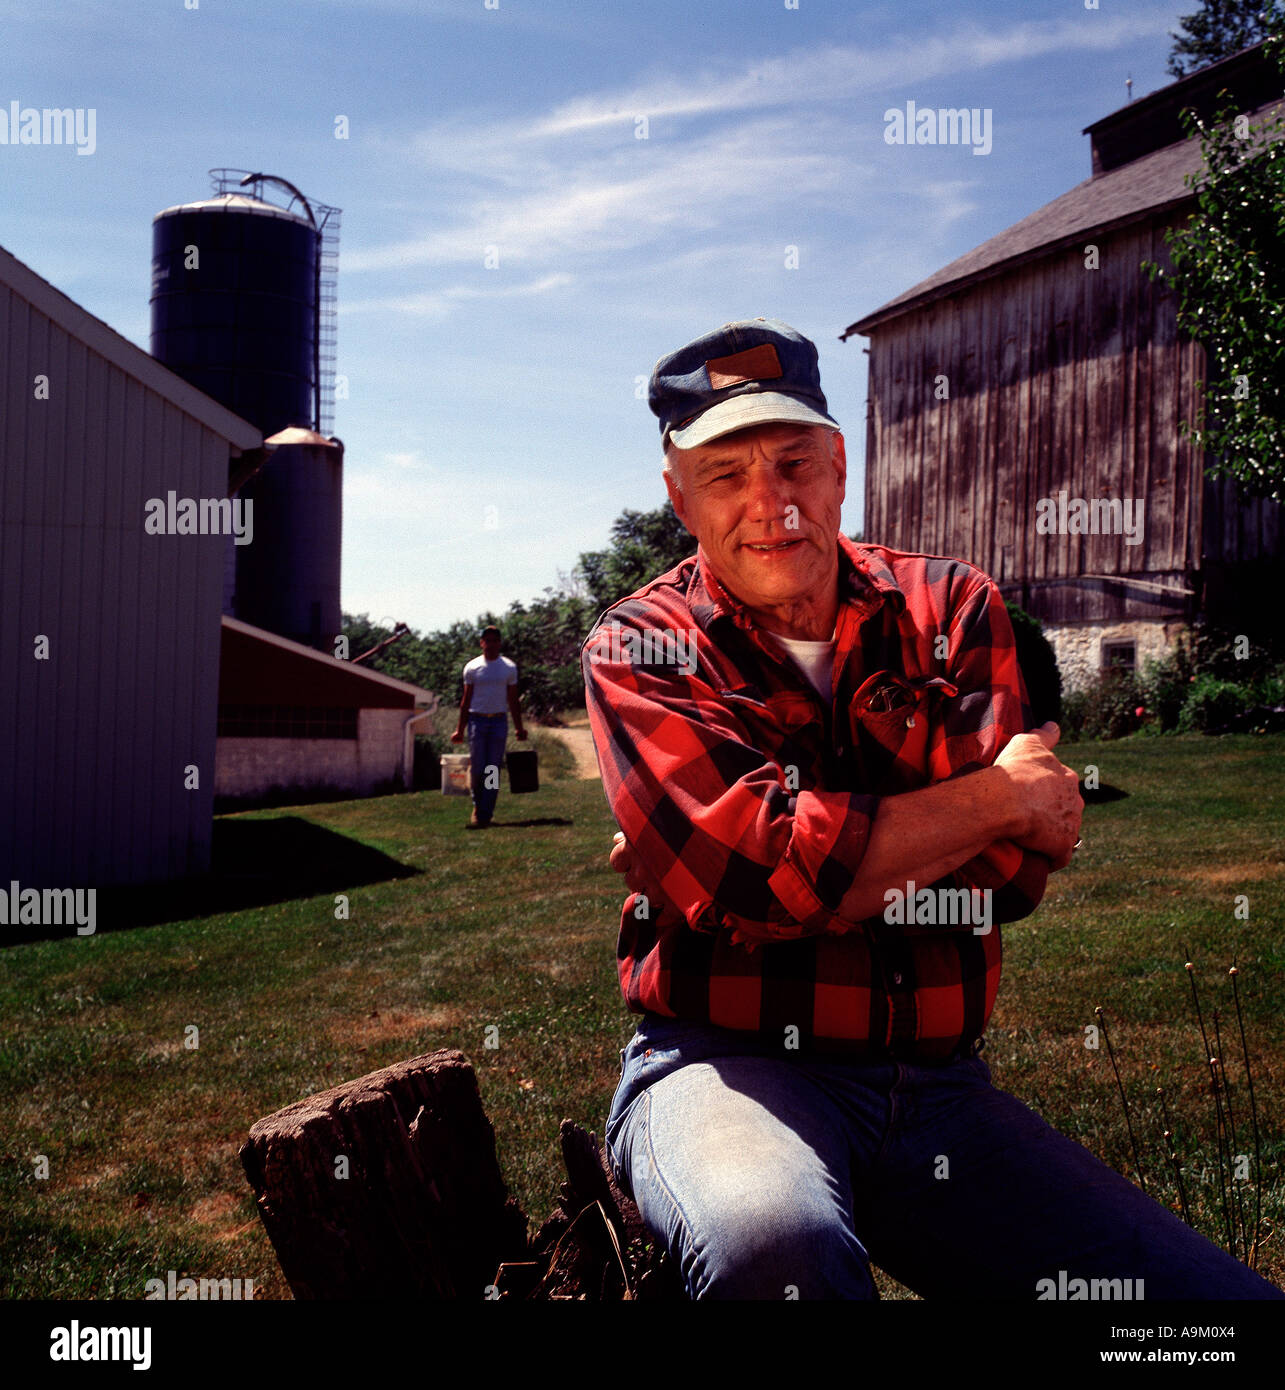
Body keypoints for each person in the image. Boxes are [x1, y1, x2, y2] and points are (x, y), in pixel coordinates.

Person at [581, 317, 1282, 1301]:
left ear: (838, 465)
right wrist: (996, 797)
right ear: (676, 495)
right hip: (722, 1065)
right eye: (726, 474)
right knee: (769, 1240)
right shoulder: (640, 643)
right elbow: (755, 873)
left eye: (792, 463)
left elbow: (1008, 878)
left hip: (938, 1089)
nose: (770, 502)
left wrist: (752, 861)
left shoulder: (950, 606)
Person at [451, 625, 526, 828]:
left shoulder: (508, 668)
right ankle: (477, 805)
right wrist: (460, 729)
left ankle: (487, 811)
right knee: (478, 767)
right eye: (487, 640)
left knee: (493, 768)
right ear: (482, 643)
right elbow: (465, 701)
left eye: (495, 640)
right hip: (477, 721)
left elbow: (513, 700)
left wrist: (519, 728)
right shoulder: (472, 668)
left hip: (499, 722)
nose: (491, 644)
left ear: (499, 643)